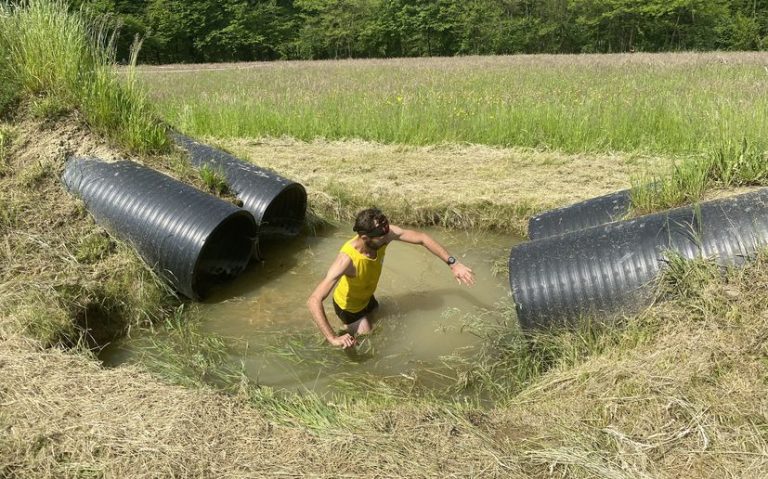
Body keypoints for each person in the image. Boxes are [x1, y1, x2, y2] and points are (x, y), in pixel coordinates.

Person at [307, 208, 475, 349]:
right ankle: (342, 331)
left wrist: (453, 263)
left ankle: (350, 327)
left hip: (366, 297)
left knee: (377, 315)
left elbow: (422, 238)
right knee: (367, 341)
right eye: (381, 237)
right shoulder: (346, 260)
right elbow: (314, 300)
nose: (386, 238)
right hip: (348, 308)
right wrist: (333, 338)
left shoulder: (384, 234)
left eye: (386, 233)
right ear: (365, 238)